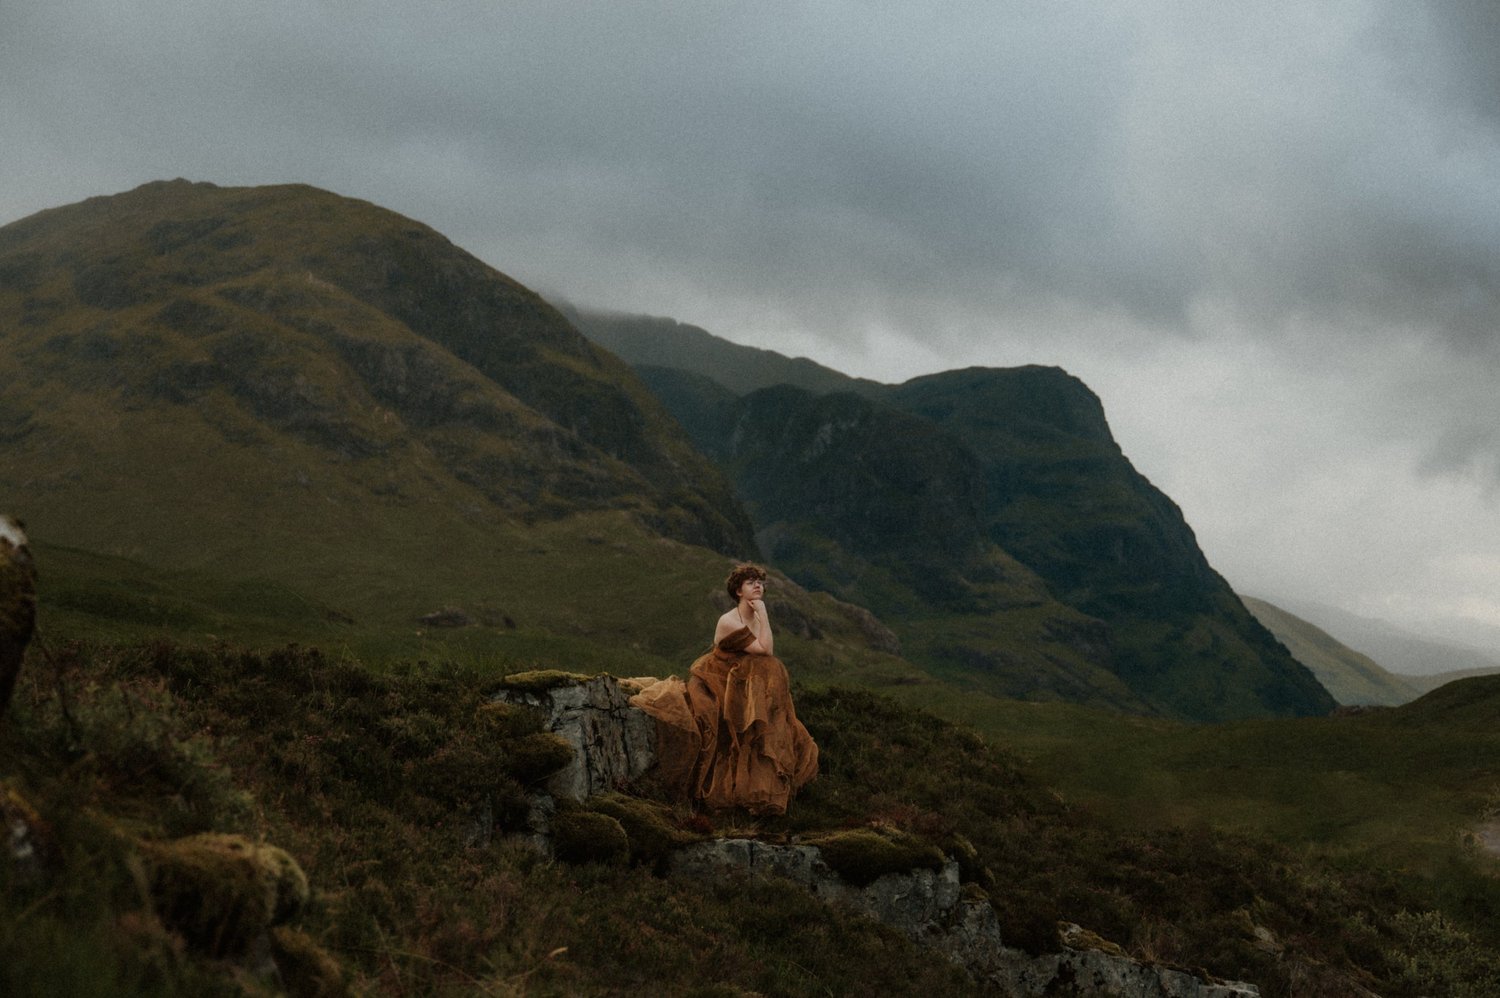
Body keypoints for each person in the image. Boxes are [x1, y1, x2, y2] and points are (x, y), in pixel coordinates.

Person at [630, 564, 819, 816]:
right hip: (716, 679)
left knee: (771, 679)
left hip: (740, 681)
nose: (757, 586)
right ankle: (716, 796)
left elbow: (766, 654)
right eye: (751, 582)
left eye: (760, 582)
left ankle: (758, 794)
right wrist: (763, 613)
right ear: (738, 591)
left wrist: (762, 616)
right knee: (723, 723)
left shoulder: (756, 616)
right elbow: (765, 650)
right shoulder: (728, 621)